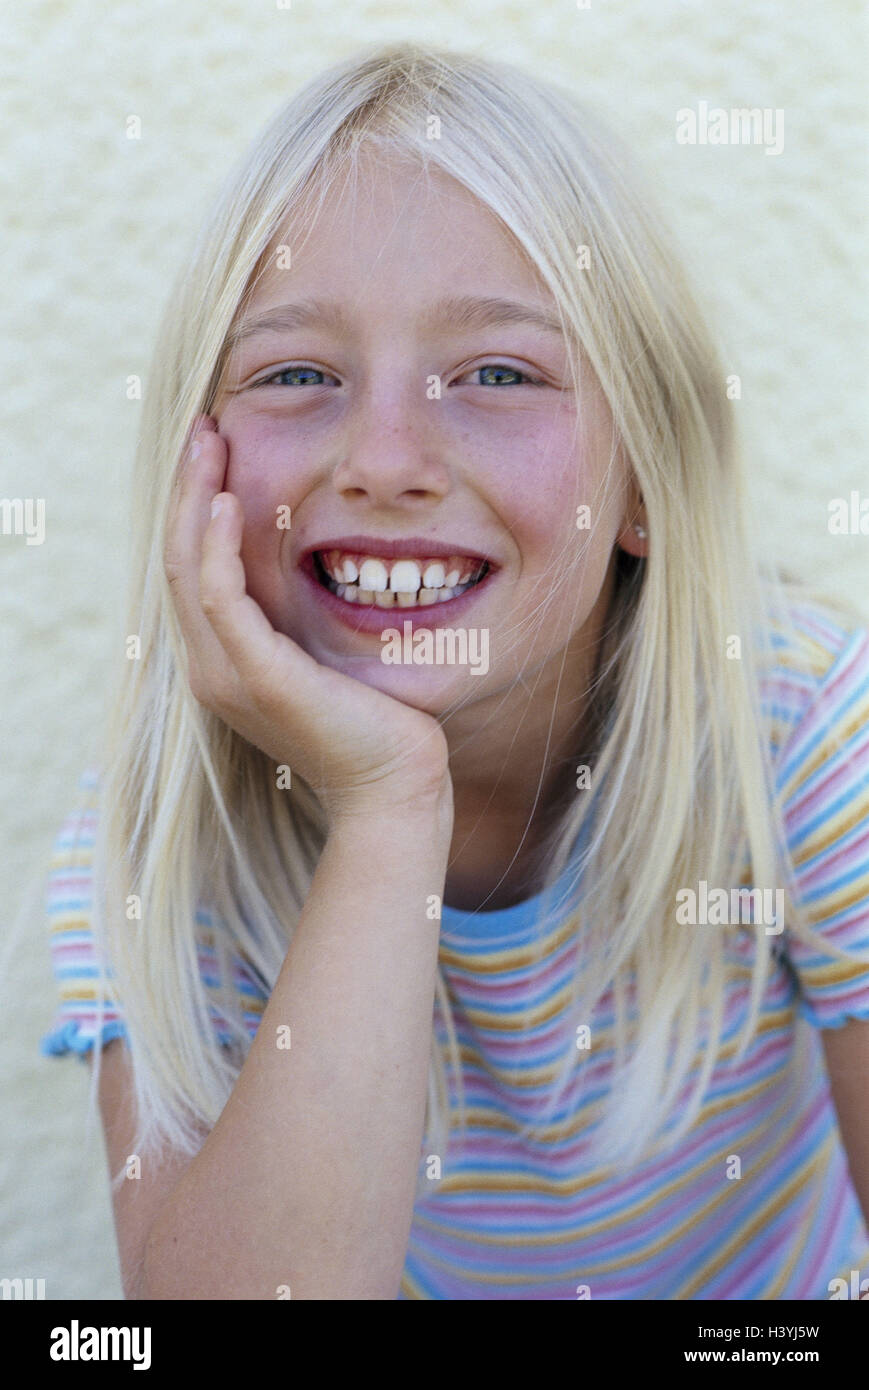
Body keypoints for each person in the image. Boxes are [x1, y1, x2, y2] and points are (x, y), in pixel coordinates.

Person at [41, 41, 869, 1300]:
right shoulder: (164, 838)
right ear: (195, 466)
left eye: (496, 373)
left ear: (641, 482)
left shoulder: (804, 722)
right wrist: (386, 806)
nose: (385, 458)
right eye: (297, 373)